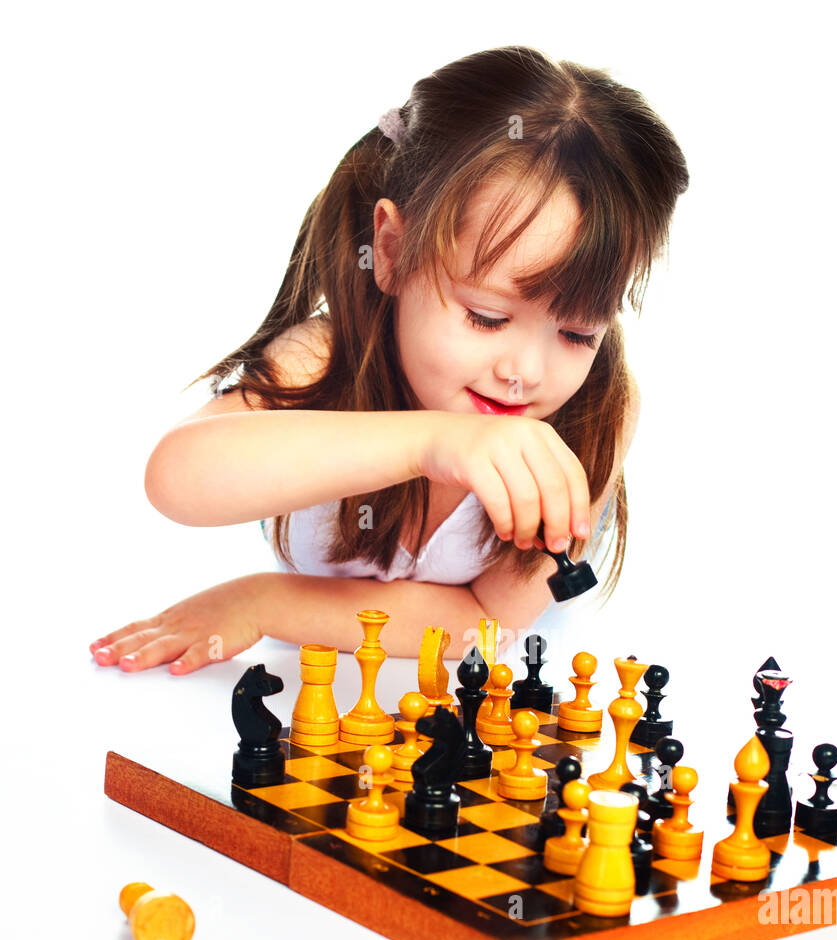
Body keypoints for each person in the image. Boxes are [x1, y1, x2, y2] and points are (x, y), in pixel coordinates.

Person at [90, 46, 689, 675]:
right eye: (486, 317)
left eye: (577, 334)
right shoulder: (324, 362)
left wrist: (265, 601)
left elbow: (485, 625)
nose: (526, 374)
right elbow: (176, 480)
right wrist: (434, 441)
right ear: (394, 250)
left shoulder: (599, 410)